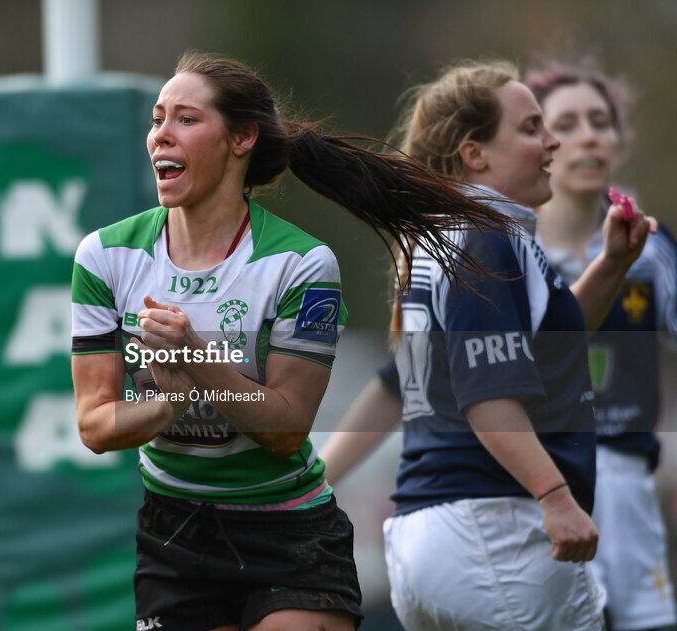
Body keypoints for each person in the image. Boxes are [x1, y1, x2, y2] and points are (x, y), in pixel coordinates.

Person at [70, 51, 516, 631]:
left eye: (185, 119)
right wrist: (169, 401)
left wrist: (197, 361)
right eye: (157, 119)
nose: (160, 136)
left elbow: (284, 428)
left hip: (287, 532)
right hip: (174, 532)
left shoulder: (301, 265)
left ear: (242, 138)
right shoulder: (105, 257)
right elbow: (95, 426)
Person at [321, 60, 655, 630]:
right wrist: (555, 495)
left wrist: (611, 264)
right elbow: (488, 397)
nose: (552, 141)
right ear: (475, 155)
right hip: (495, 528)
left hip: (429, 533)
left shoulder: (443, 236)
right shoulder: (486, 236)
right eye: (531, 128)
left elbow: (549, 338)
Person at [526, 58, 677, 631]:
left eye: (601, 120)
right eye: (567, 122)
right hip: (539, 488)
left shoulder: (652, 252)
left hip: (627, 487)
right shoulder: (509, 255)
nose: (588, 134)